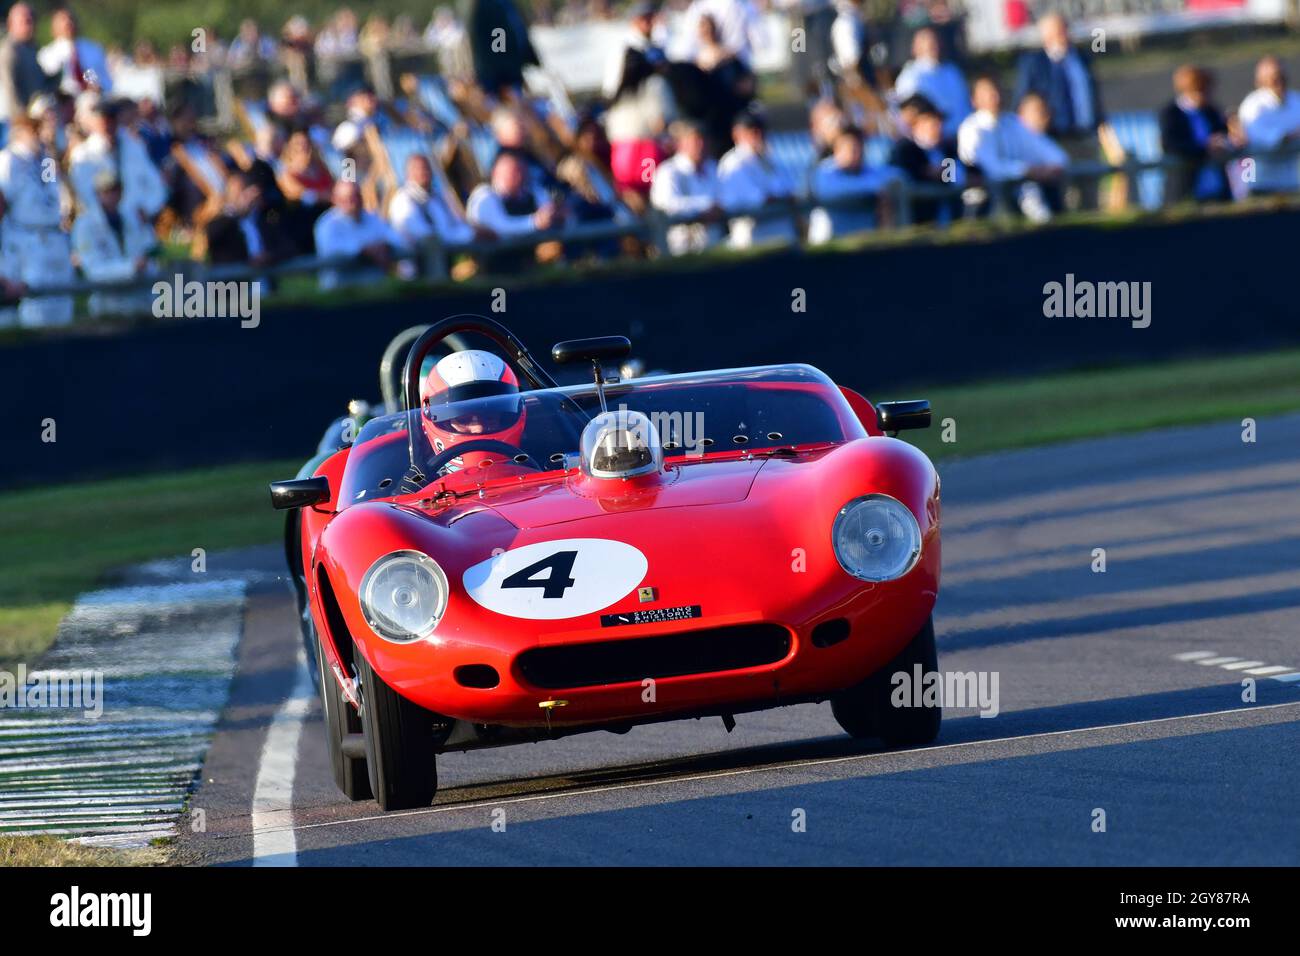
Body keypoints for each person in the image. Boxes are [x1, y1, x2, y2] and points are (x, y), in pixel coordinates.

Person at [1013, 13, 1100, 205]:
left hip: (1085, 136)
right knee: (1063, 195)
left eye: (1064, 29)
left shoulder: (1081, 59)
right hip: (1054, 139)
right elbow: (1022, 103)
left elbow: (1093, 96)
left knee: (1090, 193)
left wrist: (1099, 125)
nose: (1063, 35)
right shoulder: (1035, 64)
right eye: (1057, 31)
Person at [957, 75, 1066, 222]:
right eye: (987, 92)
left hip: (1018, 196)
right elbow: (990, 168)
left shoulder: (1012, 122)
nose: (994, 96)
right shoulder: (971, 129)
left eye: (996, 90)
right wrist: (1027, 170)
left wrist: (1052, 166)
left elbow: (1046, 150)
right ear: (974, 100)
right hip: (983, 200)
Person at [0, 114, 73, 326]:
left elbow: (54, 191)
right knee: (35, 302)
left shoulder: (46, 160)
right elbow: (4, 197)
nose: (41, 135)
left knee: (61, 299)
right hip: (27, 236)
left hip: (54, 234)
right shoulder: (8, 159)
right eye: (36, 130)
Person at [603, 2, 675, 196]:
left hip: (652, 137)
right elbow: (614, 91)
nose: (649, 24)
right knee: (634, 184)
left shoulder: (655, 49)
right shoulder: (626, 51)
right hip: (633, 134)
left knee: (654, 183)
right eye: (645, 19)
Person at [419, 350, 528, 472]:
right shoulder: (418, 479)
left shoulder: (545, 456)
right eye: (463, 420)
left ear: (504, 416)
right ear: (444, 423)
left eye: (489, 416)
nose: (478, 428)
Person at [70, 169, 158, 316]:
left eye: (116, 190)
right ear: (97, 194)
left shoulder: (133, 218)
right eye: (107, 191)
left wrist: (144, 264)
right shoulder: (85, 225)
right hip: (107, 307)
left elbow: (150, 252)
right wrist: (131, 267)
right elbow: (93, 271)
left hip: (141, 303)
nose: (112, 195)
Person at [68, 98, 167, 222]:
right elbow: (84, 193)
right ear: (94, 122)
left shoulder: (134, 147)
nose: (108, 126)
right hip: (101, 225)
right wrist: (105, 214)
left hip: (135, 221)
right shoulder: (83, 154)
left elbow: (156, 185)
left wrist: (147, 208)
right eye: (104, 121)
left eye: (112, 121)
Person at [808, 125, 900, 243]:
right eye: (847, 148)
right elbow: (828, 191)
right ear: (836, 150)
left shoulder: (869, 171)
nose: (853, 153)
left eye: (857, 148)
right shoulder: (825, 170)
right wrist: (874, 190)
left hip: (868, 239)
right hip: (834, 241)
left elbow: (898, 176)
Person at [717, 110, 796, 248]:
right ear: (737, 134)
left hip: (783, 236)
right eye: (752, 132)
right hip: (753, 240)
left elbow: (791, 192)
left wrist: (782, 198)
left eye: (761, 131)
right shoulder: (732, 162)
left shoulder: (770, 159)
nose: (758, 136)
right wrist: (781, 198)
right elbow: (759, 200)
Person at [313, 179, 407, 289]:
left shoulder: (372, 218)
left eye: (356, 196)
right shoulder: (327, 224)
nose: (352, 202)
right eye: (346, 198)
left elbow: (398, 240)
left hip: (376, 288)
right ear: (336, 200)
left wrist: (384, 246)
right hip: (342, 291)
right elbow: (331, 250)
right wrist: (363, 250)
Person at [649, 120, 723, 255]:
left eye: (703, 140)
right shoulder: (668, 171)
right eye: (695, 140)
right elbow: (666, 204)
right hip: (679, 248)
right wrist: (705, 207)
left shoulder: (712, 167)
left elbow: (723, 197)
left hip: (713, 244)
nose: (700, 145)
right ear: (681, 143)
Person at [1159, 65, 1230, 204]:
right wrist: (1204, 148)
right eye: (1199, 90)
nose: (1204, 95)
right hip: (1185, 189)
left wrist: (1226, 142)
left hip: (1216, 188)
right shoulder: (1171, 113)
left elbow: (1223, 134)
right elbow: (1170, 145)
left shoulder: (1212, 112)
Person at [388, 153, 485, 247]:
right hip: (419, 260)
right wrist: (468, 235)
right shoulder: (403, 200)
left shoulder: (437, 199)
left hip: (445, 255)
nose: (424, 172)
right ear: (408, 173)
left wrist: (472, 232)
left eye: (427, 168)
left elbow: (452, 227)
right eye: (419, 168)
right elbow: (425, 235)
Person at [204, 170, 298, 265]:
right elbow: (212, 239)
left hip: (264, 278)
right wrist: (239, 212)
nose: (243, 196)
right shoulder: (220, 221)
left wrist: (268, 257)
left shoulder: (264, 220)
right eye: (238, 191)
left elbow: (289, 248)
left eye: (245, 189)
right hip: (236, 279)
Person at [1237, 56, 1300, 196]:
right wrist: (1292, 135)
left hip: (1293, 183)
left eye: (1282, 77)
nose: (1278, 82)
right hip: (1262, 184)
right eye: (1273, 78)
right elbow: (1270, 139)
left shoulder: (1296, 100)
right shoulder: (1252, 106)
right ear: (1260, 81)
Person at [889, 105, 963, 224]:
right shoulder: (905, 149)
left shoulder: (948, 149)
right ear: (916, 125)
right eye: (932, 124)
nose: (937, 128)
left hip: (949, 213)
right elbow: (905, 176)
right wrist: (928, 173)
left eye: (939, 123)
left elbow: (956, 176)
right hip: (918, 218)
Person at [893, 27, 969, 139]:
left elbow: (965, 106)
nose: (931, 45)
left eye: (933, 41)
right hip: (930, 141)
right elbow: (908, 116)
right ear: (914, 48)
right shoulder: (910, 77)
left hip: (962, 135)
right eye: (925, 41)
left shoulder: (952, 72)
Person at [38, 7, 112, 95]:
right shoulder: (47, 54)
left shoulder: (93, 49)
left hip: (92, 99)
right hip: (63, 101)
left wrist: (98, 86)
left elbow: (105, 80)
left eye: (71, 18)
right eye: (62, 20)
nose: (68, 22)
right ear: (53, 28)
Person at [0, 3, 52, 119]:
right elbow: (10, 87)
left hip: (35, 114)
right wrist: (22, 118)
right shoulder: (9, 51)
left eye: (31, 21)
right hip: (17, 119)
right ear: (11, 24)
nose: (30, 26)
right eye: (25, 22)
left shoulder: (32, 48)